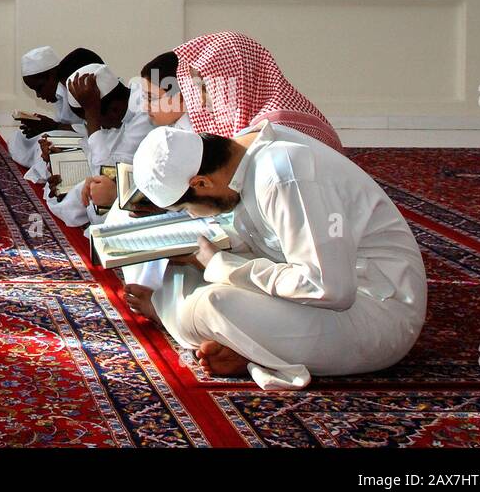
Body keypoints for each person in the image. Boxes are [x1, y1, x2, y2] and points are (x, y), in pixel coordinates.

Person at [126, 123, 426, 389]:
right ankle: (253, 346)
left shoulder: (283, 176)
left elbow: (329, 288)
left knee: (207, 306)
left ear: (201, 183)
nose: (192, 215)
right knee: (183, 271)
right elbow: (265, 235)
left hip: (377, 315)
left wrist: (224, 266)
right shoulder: (245, 154)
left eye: (186, 208)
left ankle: (188, 323)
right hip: (329, 294)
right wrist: (207, 256)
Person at [134, 33, 342, 151]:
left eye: (207, 88)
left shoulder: (272, 126)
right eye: (197, 88)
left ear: (239, 80)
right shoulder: (263, 112)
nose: (201, 100)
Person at [42, 62, 153, 228]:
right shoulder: (121, 109)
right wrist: (65, 161)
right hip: (121, 177)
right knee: (70, 186)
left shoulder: (146, 116)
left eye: (91, 118)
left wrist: (93, 117)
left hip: (147, 190)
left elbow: (106, 173)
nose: (91, 124)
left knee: (97, 196)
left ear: (114, 110)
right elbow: (102, 157)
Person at [18, 47, 105, 185]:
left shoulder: (83, 88)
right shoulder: (65, 87)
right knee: (25, 136)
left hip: (94, 140)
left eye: (39, 88)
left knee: (49, 139)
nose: (38, 95)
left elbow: (99, 129)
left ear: (52, 74)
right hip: (87, 139)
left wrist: (54, 127)